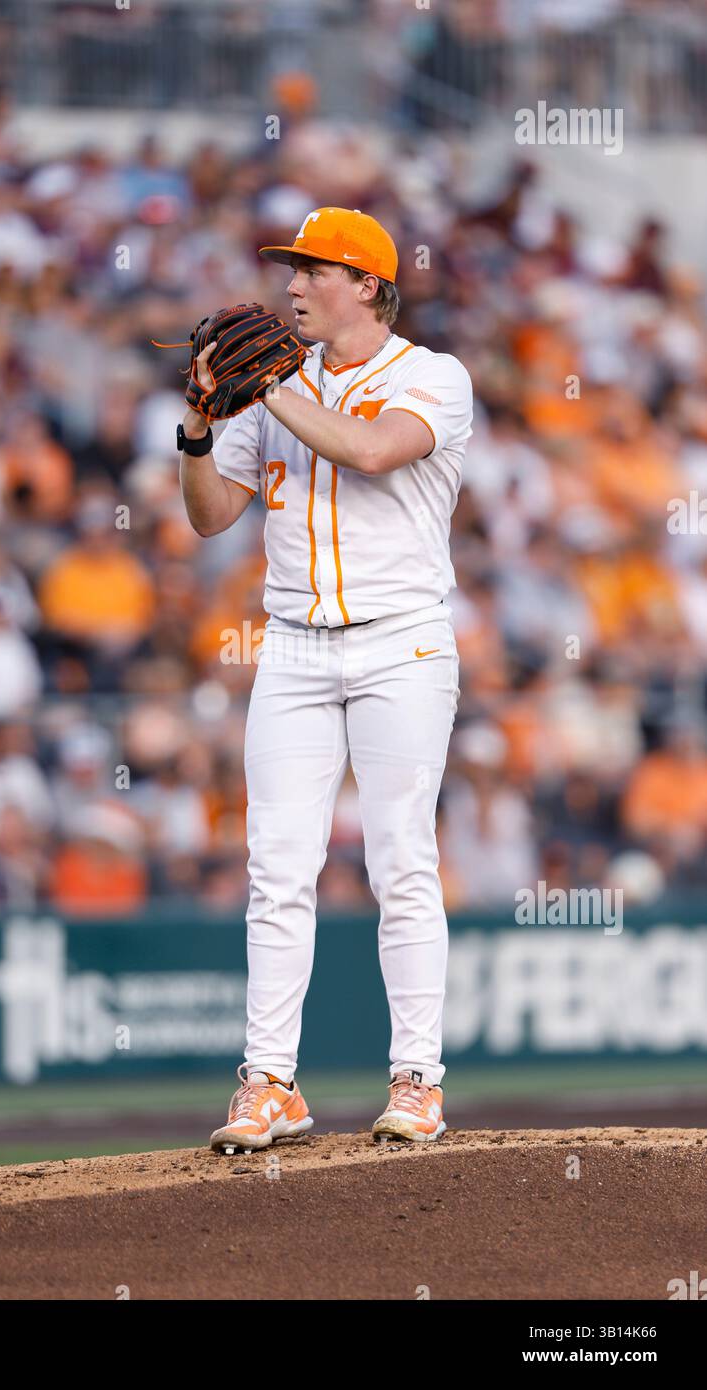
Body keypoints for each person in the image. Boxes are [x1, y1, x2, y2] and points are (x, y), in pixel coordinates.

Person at [177, 207, 473, 1153]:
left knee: (400, 858)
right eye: (292, 269)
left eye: (313, 269)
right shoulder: (279, 386)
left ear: (370, 288)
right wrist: (194, 429)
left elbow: (375, 449)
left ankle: (418, 1078)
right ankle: (270, 1084)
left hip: (403, 643)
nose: (293, 284)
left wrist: (264, 390)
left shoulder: (435, 376)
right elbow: (211, 516)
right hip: (295, 644)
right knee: (276, 865)